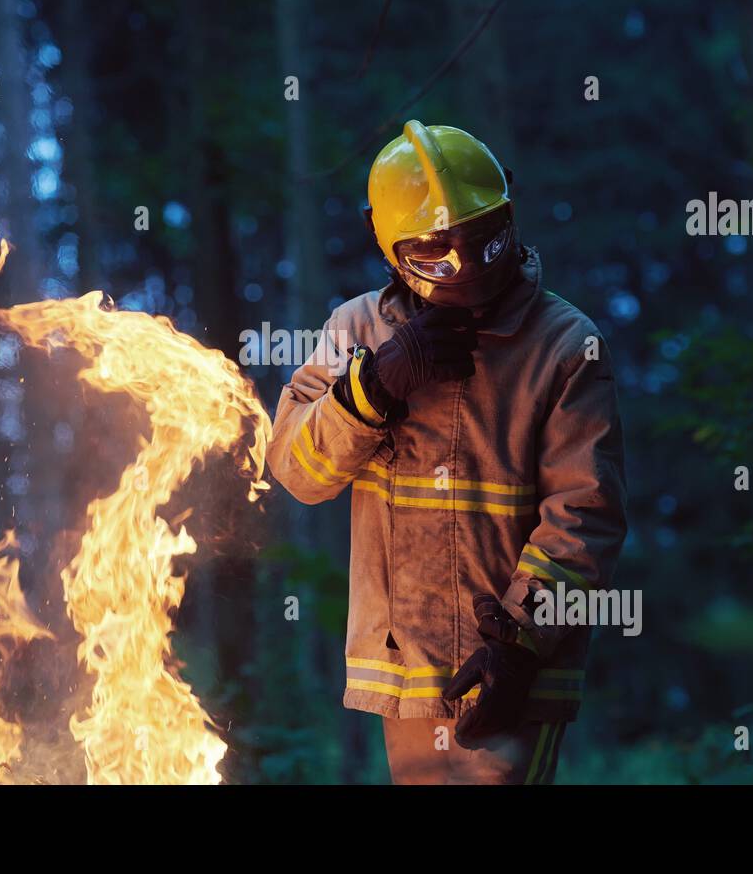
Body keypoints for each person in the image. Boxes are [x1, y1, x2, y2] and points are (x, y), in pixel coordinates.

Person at [269, 120, 627, 784]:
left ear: (510, 214)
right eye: (435, 255)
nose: (466, 270)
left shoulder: (565, 344)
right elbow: (298, 471)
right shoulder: (356, 330)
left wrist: (520, 641)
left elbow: (586, 514)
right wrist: (371, 388)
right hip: (406, 671)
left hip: (515, 669)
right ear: (385, 244)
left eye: (484, 242)